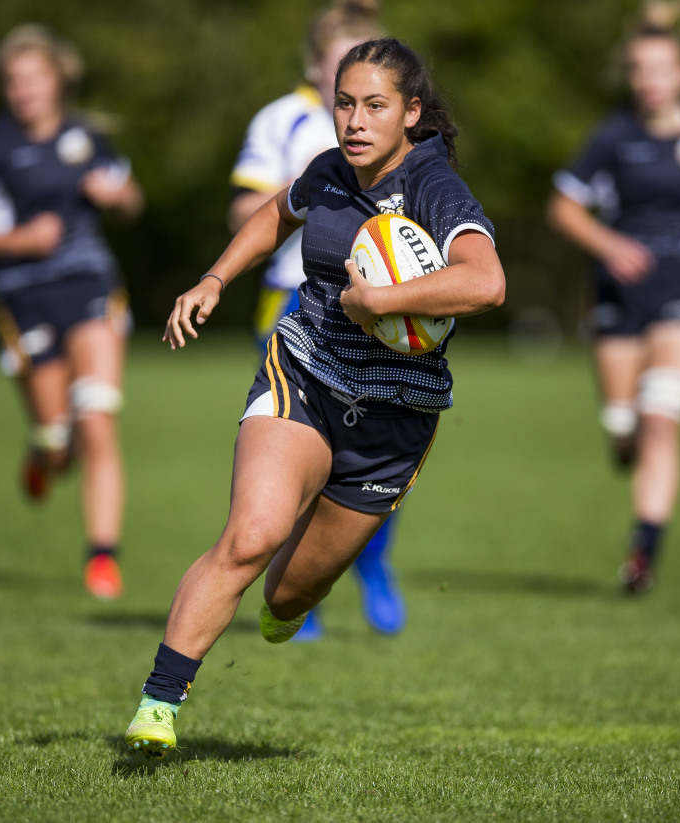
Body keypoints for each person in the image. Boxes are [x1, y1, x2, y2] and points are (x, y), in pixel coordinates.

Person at [124, 38, 504, 757]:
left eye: (375, 106)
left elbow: (486, 283)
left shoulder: (435, 189)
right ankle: (159, 701)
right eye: (345, 103)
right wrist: (214, 278)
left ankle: (287, 604)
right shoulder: (330, 171)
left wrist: (382, 300)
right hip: (305, 367)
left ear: (411, 113)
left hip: (396, 416)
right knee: (252, 534)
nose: (355, 121)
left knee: (287, 594)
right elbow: (277, 211)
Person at [547, 3, 680, 594]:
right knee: (626, 428)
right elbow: (562, 208)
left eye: (661, 68)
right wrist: (609, 243)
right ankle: (624, 439)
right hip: (618, 294)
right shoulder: (612, 138)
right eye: (639, 69)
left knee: (661, 419)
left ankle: (643, 554)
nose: (650, 80)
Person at [0, 24, 143, 600]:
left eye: (34, 77)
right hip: (22, 296)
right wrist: (19, 241)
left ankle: (102, 555)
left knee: (98, 417)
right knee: (60, 442)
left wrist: (117, 196)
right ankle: (43, 450)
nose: (24, 90)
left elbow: (132, 198)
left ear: (58, 79)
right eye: (13, 80)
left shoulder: (88, 137)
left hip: (90, 283)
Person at [228, 0, 405, 640]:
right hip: (293, 302)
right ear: (317, 68)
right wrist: (302, 192)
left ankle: (373, 565)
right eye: (343, 76)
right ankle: (302, 590)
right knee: (303, 458)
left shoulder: (399, 131)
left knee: (377, 451)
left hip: (378, 313)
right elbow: (245, 207)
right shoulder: (285, 120)